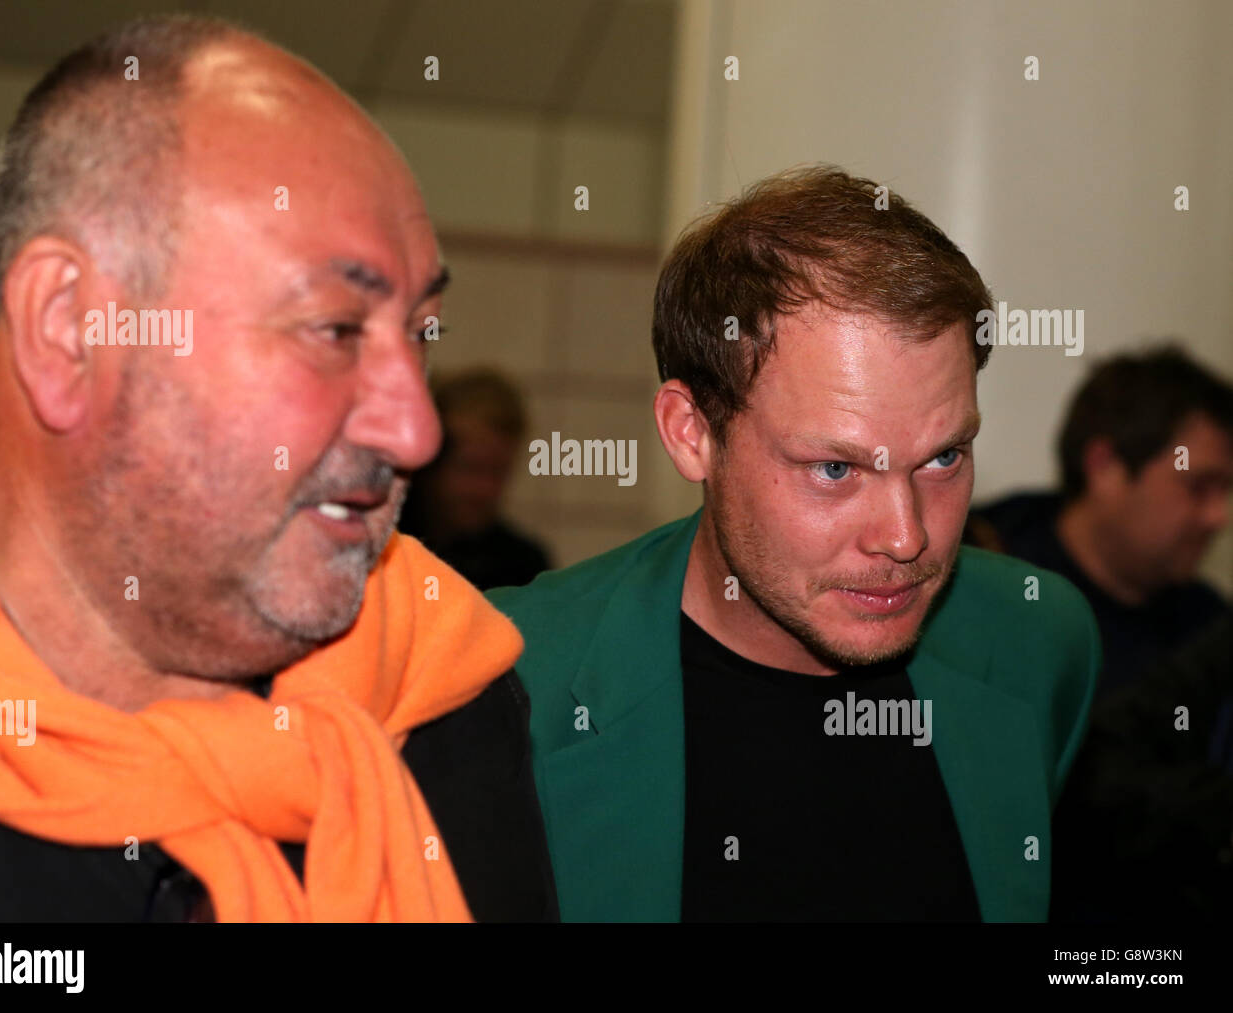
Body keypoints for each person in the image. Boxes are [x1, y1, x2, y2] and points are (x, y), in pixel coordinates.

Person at [0, 14, 556, 922]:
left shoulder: (444, 687)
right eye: (336, 328)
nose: (417, 431)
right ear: (69, 331)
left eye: (421, 334)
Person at [489, 166, 1100, 922]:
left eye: (943, 457)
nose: (906, 536)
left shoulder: (1037, 643)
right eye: (835, 467)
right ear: (692, 433)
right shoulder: (504, 684)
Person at [965, 349, 1233, 921]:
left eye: (1227, 491)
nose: (1219, 517)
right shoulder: (977, 574)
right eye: (1199, 486)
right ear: (1106, 465)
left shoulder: (1208, 626)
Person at [400, 368, 551, 589]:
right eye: (470, 468)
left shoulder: (521, 565)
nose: (485, 489)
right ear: (432, 459)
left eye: (498, 472)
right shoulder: (383, 544)